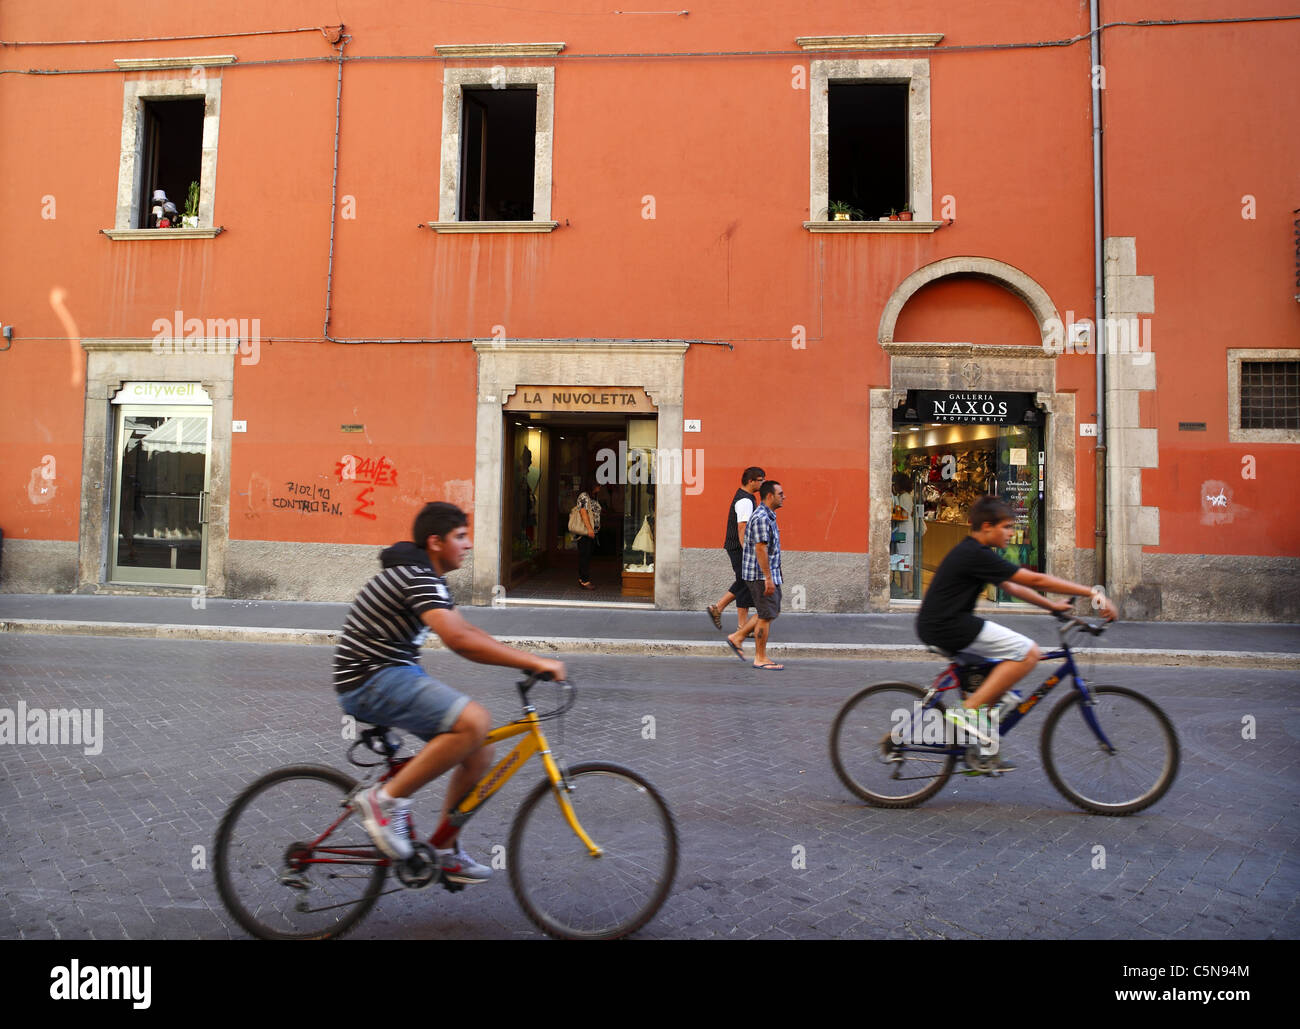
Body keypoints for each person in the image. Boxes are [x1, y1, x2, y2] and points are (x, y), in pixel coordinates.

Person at [335, 501, 566, 879]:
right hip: (369, 678)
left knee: (480, 747)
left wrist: (528, 658)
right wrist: (534, 663)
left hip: (391, 672)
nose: (469, 544)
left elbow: (468, 632)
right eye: (460, 536)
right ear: (435, 542)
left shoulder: (429, 578)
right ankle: (382, 802)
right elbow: (459, 641)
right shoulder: (417, 577)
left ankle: (442, 850)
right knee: (475, 721)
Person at [915, 494, 1117, 767]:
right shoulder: (975, 553)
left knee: (998, 688)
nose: (1012, 533)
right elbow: (1034, 578)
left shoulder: (976, 552)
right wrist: (1092, 593)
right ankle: (968, 711)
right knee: (1028, 652)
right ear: (987, 527)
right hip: (949, 625)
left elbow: (1013, 587)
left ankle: (980, 754)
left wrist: (1051, 606)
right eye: (1007, 527)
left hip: (942, 624)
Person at [728, 480, 785, 670]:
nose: (784, 497)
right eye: (780, 494)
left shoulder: (769, 515)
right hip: (760, 575)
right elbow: (760, 548)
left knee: (768, 611)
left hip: (768, 574)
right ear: (770, 496)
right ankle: (760, 657)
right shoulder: (761, 517)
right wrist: (768, 578)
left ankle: (738, 637)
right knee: (765, 615)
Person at [707, 466, 765, 634]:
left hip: (738, 547)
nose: (762, 483)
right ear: (751, 481)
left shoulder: (746, 497)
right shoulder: (746, 501)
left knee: (744, 582)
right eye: (760, 480)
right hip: (740, 548)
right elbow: (742, 527)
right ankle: (720, 610)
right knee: (745, 582)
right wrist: (748, 550)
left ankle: (735, 621)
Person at [574, 480, 602, 590]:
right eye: (598, 485)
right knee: (584, 555)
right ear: (593, 485)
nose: (600, 487)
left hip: (591, 532)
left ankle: (582, 579)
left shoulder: (593, 496)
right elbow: (583, 512)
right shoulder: (584, 496)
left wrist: (597, 525)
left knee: (587, 555)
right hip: (585, 531)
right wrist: (590, 529)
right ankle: (584, 580)